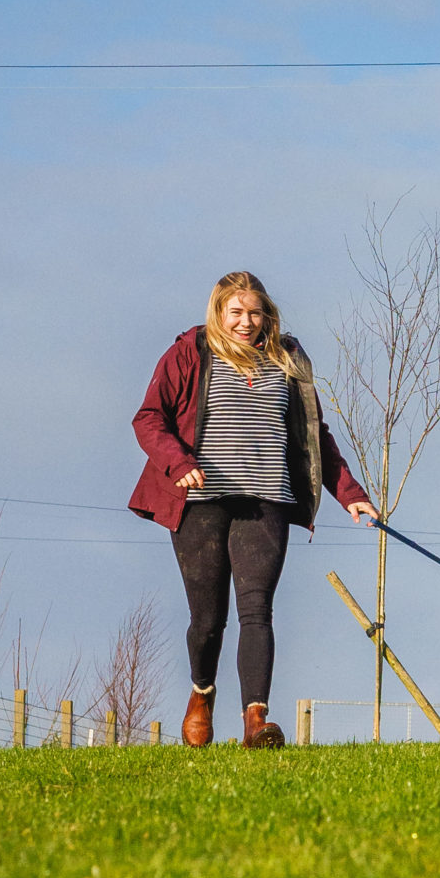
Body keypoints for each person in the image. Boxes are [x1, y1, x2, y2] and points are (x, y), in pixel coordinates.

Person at [130, 271, 376, 748]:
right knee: (207, 619)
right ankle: (202, 694)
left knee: (257, 610)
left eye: (254, 312)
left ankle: (255, 721)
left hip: (268, 500)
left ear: (267, 314)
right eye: (236, 312)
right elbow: (149, 418)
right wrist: (177, 462)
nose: (246, 322)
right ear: (219, 312)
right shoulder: (191, 352)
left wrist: (350, 493)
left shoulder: (287, 359)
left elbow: (313, 436)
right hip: (201, 501)